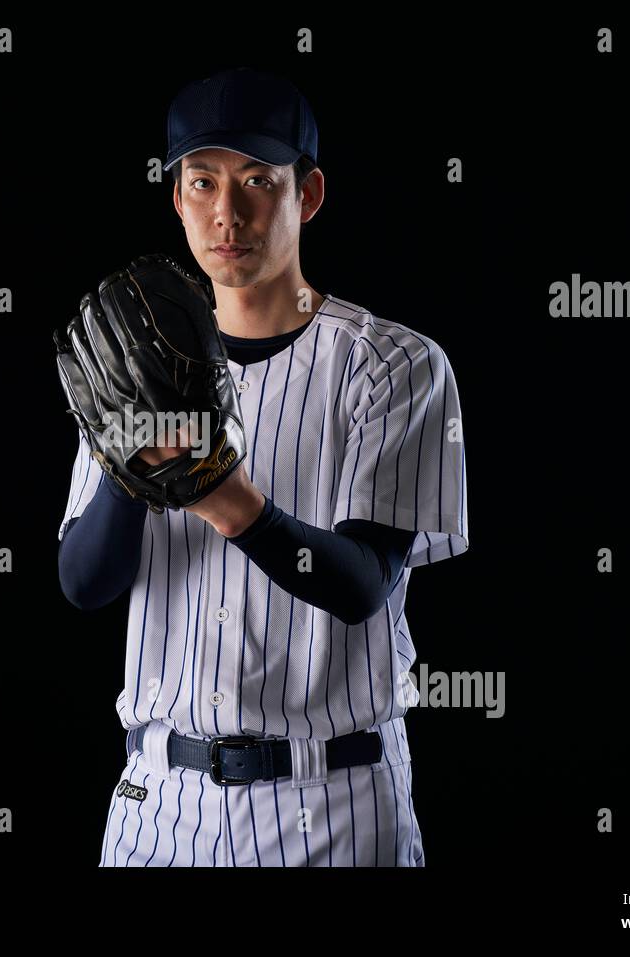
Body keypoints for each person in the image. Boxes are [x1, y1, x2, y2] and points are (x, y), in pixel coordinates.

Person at [58, 67, 469, 866]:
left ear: (306, 195)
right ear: (177, 198)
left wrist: (212, 486)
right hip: (157, 802)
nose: (227, 212)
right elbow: (84, 580)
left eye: (257, 181)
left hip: (332, 803)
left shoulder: (394, 366)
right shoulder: (139, 361)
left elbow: (359, 584)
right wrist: (128, 464)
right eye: (203, 181)